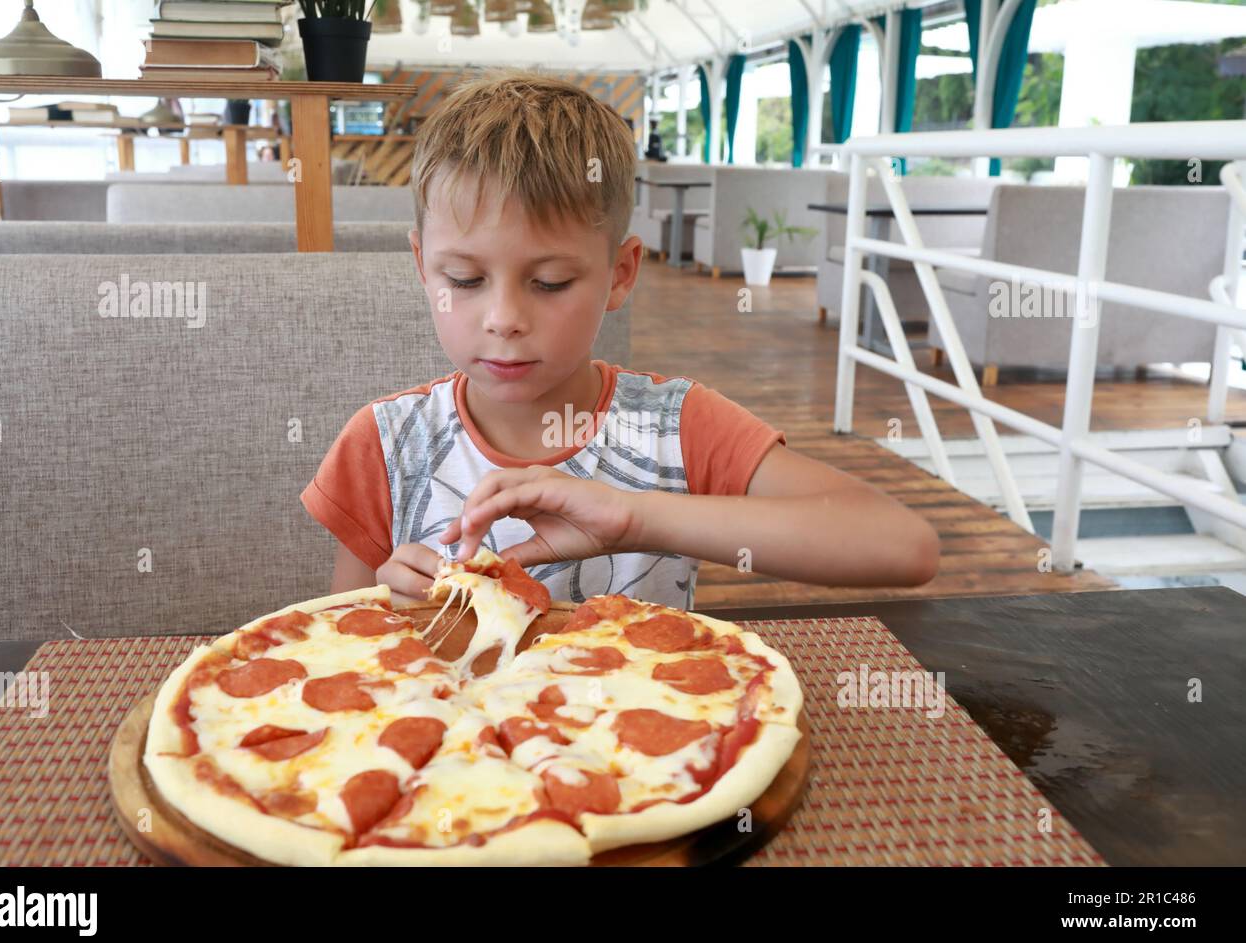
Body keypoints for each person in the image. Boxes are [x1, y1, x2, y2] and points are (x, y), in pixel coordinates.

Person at [301, 69, 939, 606]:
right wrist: (392, 605)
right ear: (422, 267)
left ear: (620, 274)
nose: (503, 317)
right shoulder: (384, 445)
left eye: (549, 282)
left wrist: (635, 517)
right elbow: (342, 637)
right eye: (464, 279)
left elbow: (902, 545)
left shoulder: (676, 427)